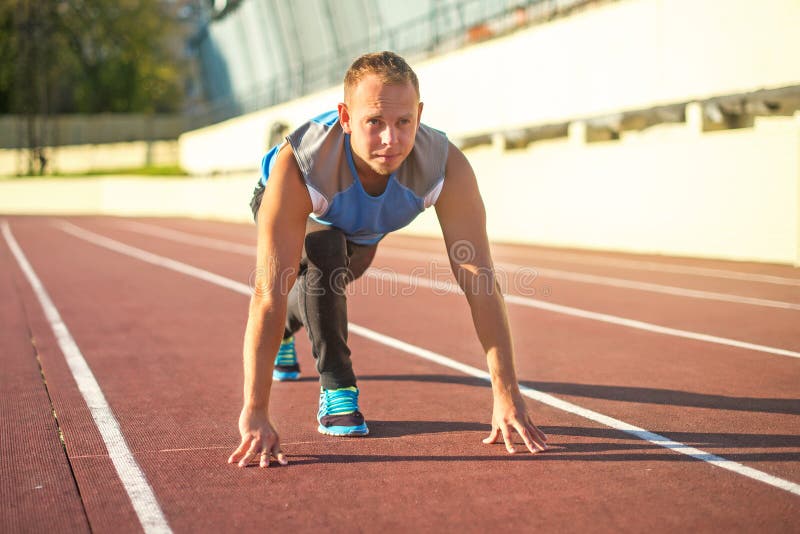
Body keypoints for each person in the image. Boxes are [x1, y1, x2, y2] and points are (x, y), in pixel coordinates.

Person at [228, 51, 548, 468]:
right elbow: (268, 294)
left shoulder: (445, 165)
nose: (390, 140)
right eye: (373, 122)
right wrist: (255, 410)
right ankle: (338, 389)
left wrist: (506, 394)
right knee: (324, 251)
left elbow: (480, 280)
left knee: (326, 281)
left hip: (363, 231)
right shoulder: (300, 165)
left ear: (419, 115)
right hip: (301, 210)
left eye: (403, 123)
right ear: (345, 118)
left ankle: (288, 334)